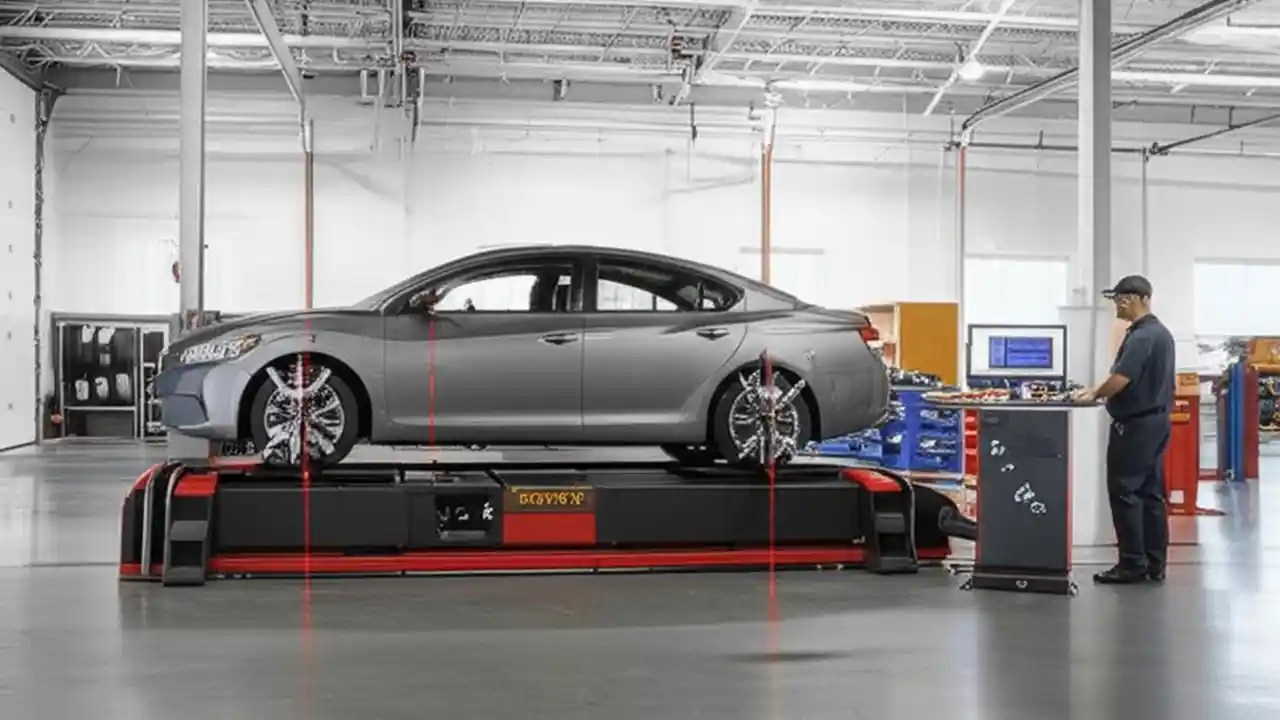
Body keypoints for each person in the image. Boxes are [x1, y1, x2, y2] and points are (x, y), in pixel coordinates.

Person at [1072, 275, 1176, 585]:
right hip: (1155, 423)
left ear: (1144, 299)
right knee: (1150, 495)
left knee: (1125, 492)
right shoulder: (1160, 334)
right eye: (1117, 298)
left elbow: (1122, 378)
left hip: (1135, 426)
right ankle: (1154, 563)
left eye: (1126, 298)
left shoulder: (1143, 336)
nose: (1120, 303)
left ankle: (1131, 563)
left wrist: (1094, 393)